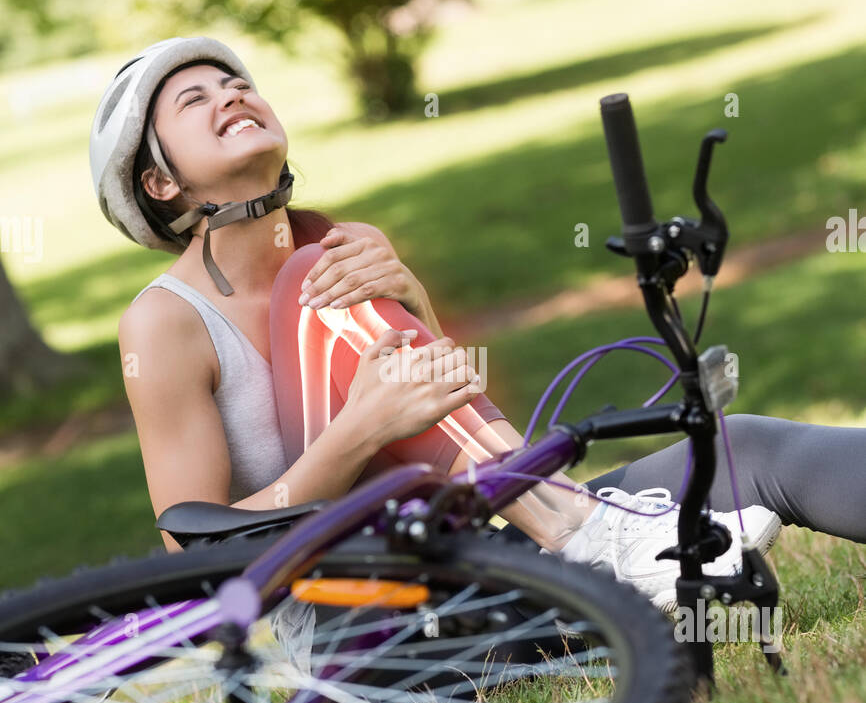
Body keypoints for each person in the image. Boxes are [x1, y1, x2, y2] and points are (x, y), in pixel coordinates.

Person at [92, 37, 814, 616]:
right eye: (197, 98)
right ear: (162, 183)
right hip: (361, 616)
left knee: (743, 445)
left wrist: (416, 305)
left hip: (460, 542)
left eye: (237, 83)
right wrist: (356, 431)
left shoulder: (344, 248)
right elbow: (196, 557)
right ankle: (579, 531)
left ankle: (587, 531)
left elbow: (446, 433)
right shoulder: (164, 324)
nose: (233, 95)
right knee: (319, 286)